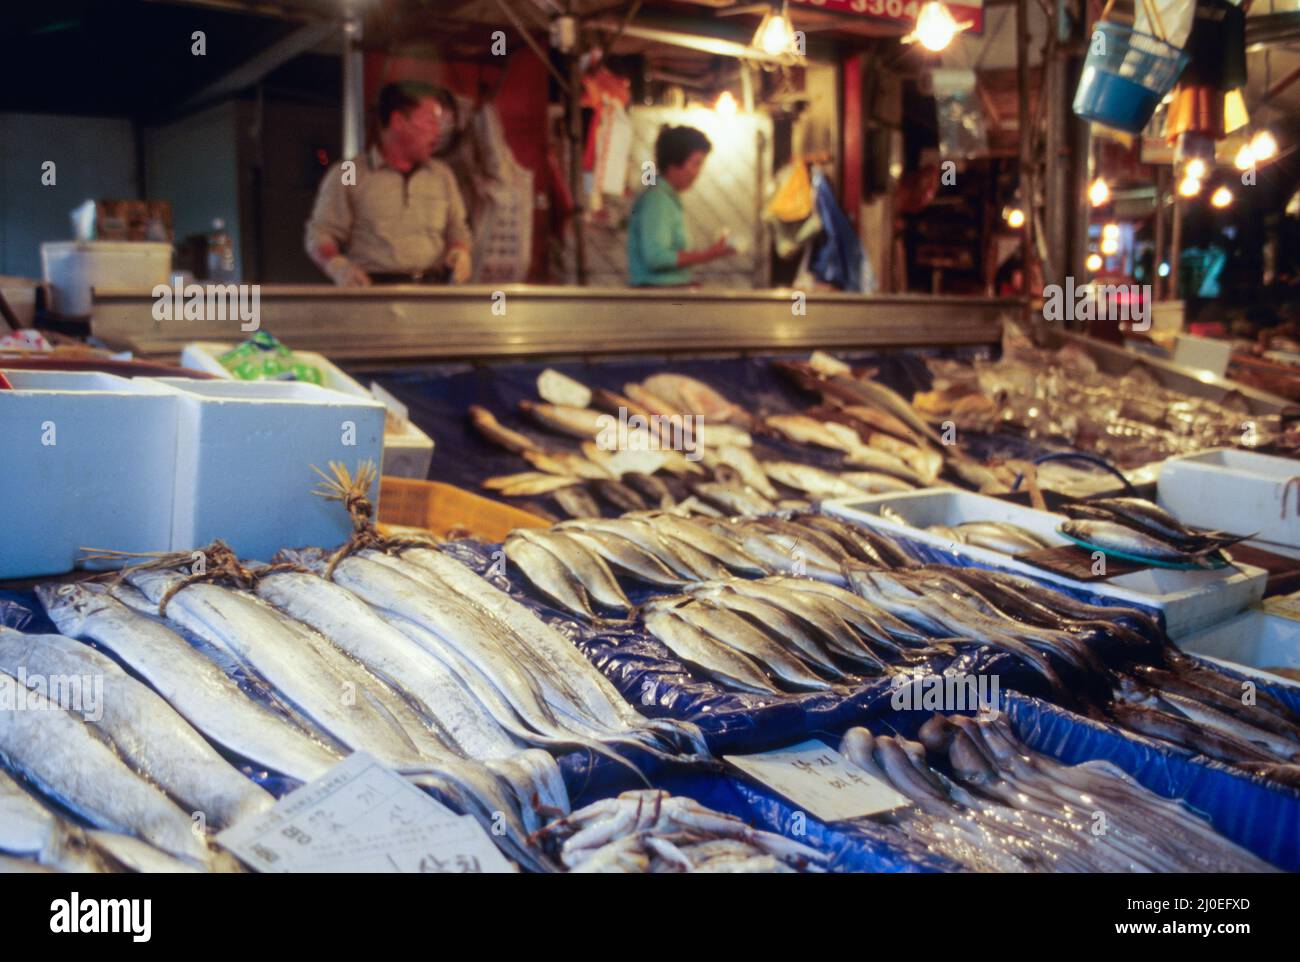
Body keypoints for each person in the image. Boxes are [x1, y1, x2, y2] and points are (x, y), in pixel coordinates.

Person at [305, 81, 472, 285]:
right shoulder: (350, 172)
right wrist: (337, 266)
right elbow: (320, 234)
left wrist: (460, 251)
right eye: (430, 121)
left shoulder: (441, 175)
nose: (437, 131)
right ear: (399, 121)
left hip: (432, 293)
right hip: (375, 294)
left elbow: (457, 228)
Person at [627, 125, 733, 286]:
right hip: (657, 299)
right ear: (674, 163)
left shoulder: (667, 198)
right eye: (696, 163)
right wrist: (709, 254)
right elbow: (656, 258)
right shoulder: (657, 199)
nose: (698, 172)